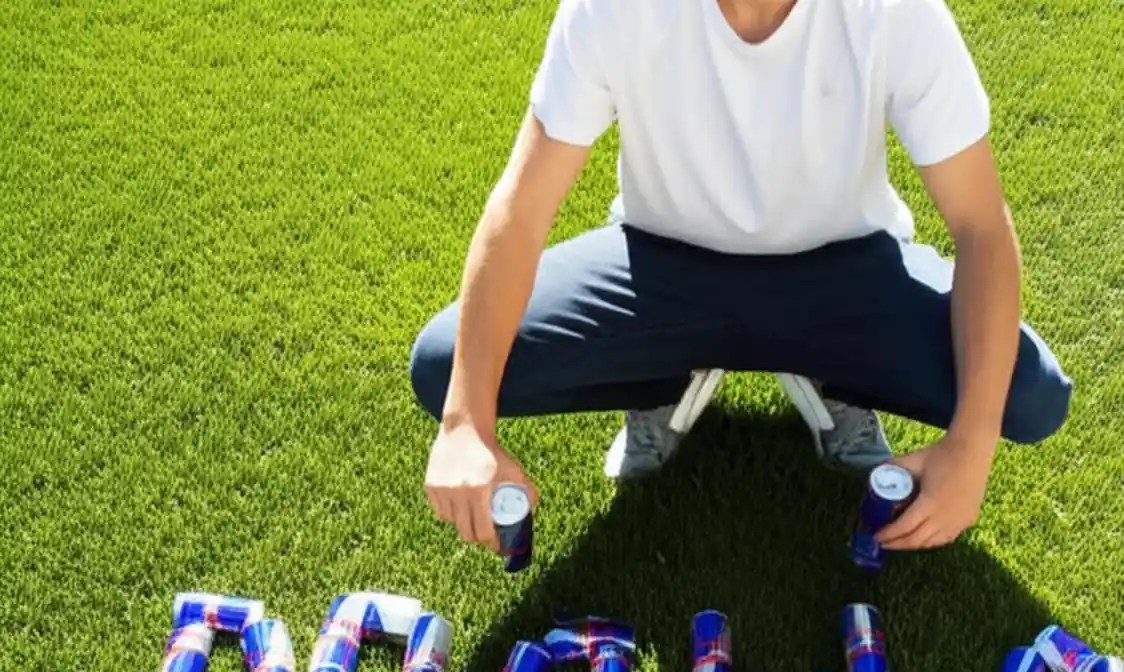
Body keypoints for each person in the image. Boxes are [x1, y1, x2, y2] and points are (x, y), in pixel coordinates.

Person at [409, 0, 1073, 556]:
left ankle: (835, 379)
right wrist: (466, 422)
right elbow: (521, 211)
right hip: (663, 272)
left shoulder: (891, 10)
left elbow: (982, 226)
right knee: (450, 367)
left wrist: (970, 446)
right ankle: (663, 379)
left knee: (1025, 393)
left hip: (845, 277)